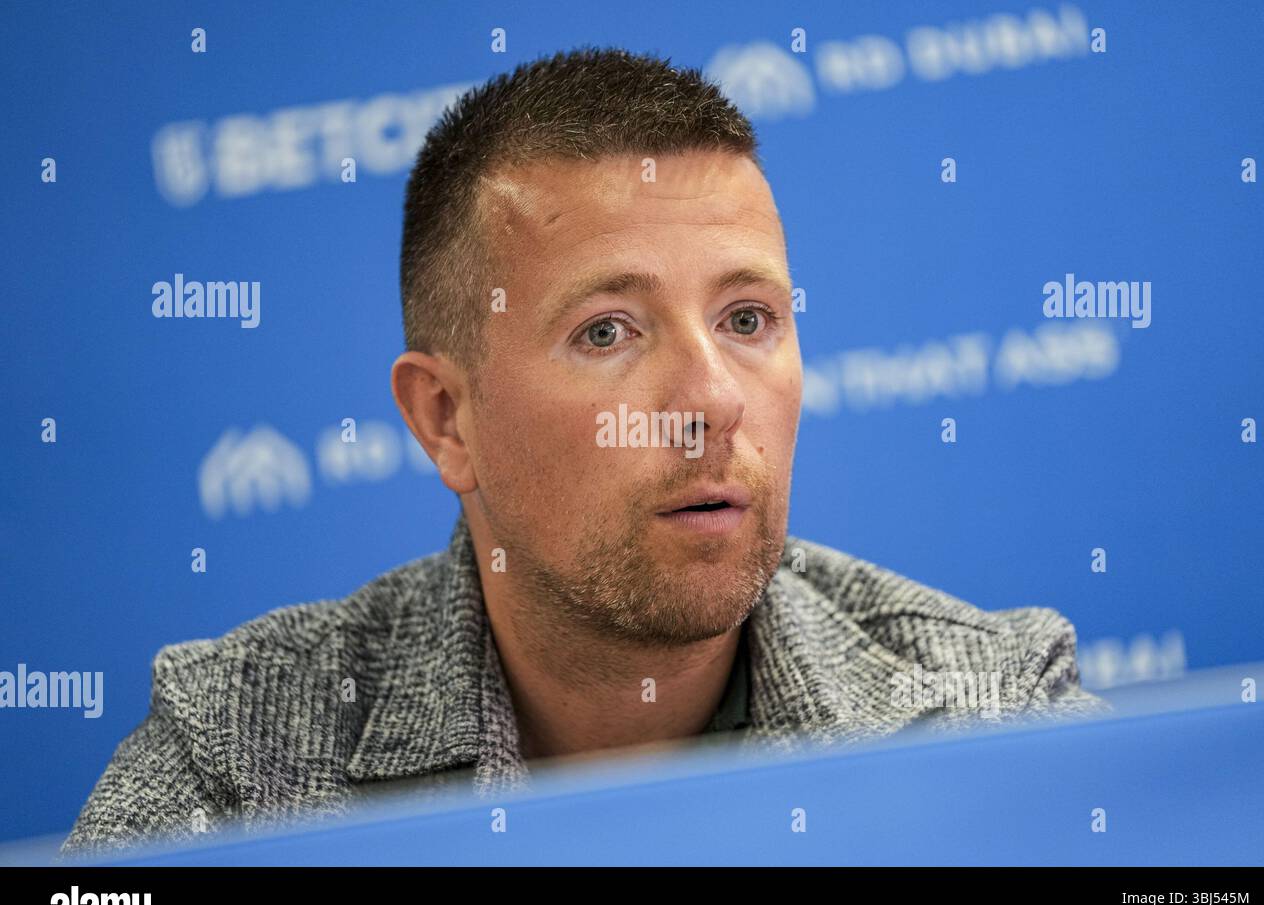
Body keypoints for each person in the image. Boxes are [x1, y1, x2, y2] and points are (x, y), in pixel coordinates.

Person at [61, 46, 1109, 858]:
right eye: (607, 331)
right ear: (445, 420)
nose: (709, 400)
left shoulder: (995, 707)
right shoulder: (239, 761)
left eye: (748, 320)